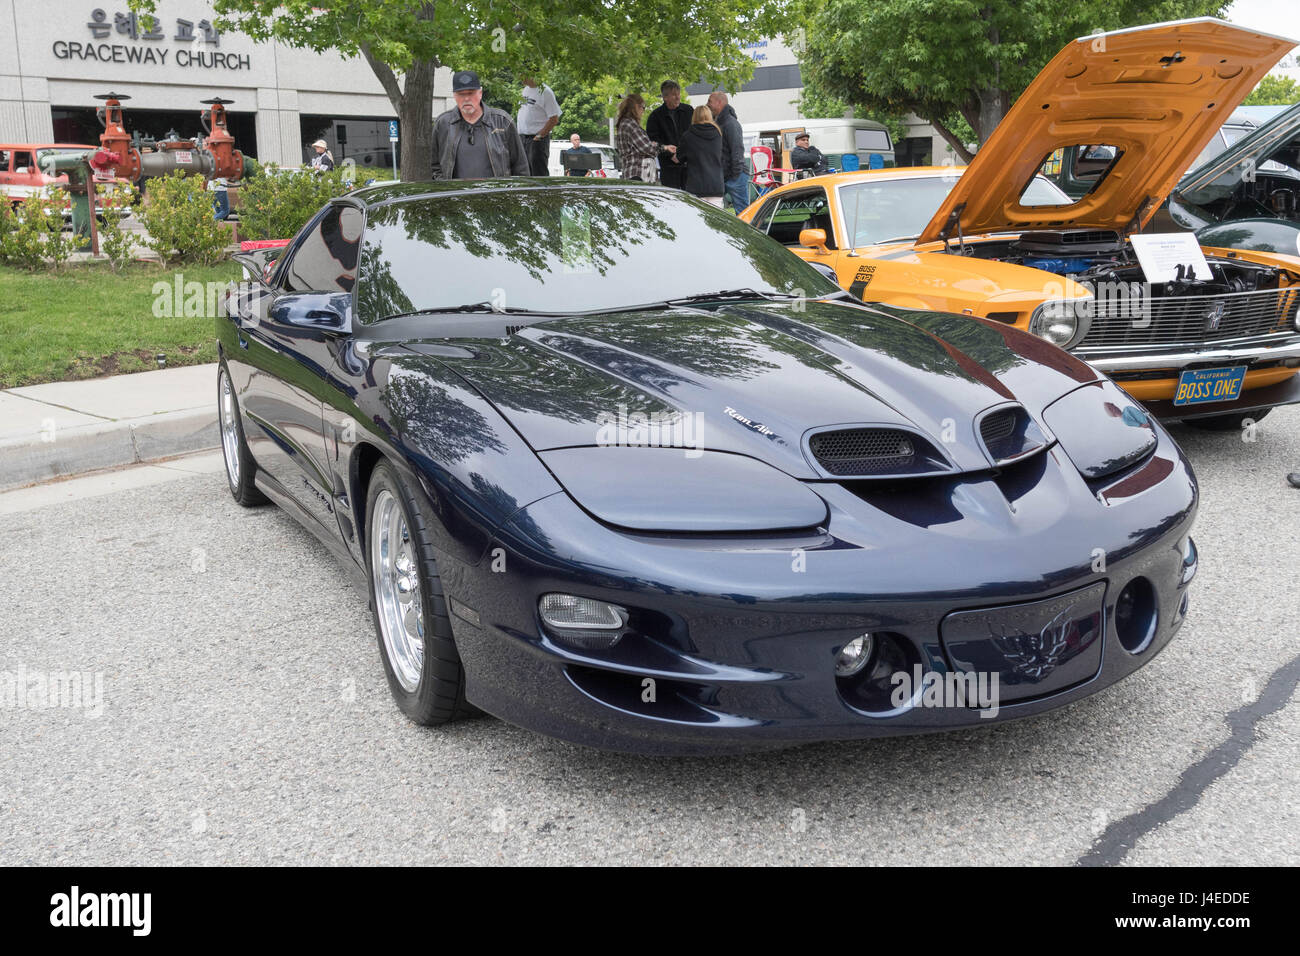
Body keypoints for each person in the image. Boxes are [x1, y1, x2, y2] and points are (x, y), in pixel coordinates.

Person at [430, 70, 529, 180]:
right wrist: (445, 188)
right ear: (454, 95)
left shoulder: (502, 121)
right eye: (461, 94)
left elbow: (521, 167)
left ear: (480, 93)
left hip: (496, 195)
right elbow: (434, 166)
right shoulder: (443, 124)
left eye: (471, 93)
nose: (466, 98)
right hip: (456, 195)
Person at [615, 94, 674, 182]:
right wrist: (664, 147)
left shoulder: (624, 123)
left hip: (631, 172)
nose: (643, 111)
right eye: (643, 107)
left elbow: (643, 146)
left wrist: (653, 145)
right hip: (638, 174)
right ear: (636, 107)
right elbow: (647, 148)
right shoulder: (631, 125)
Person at [645, 80, 694, 189]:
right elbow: (653, 141)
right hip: (669, 168)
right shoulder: (655, 117)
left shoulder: (688, 111)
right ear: (665, 97)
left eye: (679, 94)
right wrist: (670, 155)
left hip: (689, 166)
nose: (678, 97)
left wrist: (685, 154)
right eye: (674, 95)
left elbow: (694, 134)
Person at [706, 91, 747, 213]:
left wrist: (735, 175)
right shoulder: (721, 122)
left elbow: (737, 150)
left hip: (735, 176)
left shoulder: (730, 123)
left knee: (743, 213)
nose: (707, 104)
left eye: (710, 101)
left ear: (719, 103)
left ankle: (746, 232)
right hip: (726, 175)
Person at [675, 106, 724, 206]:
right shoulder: (718, 133)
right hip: (716, 184)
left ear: (694, 117)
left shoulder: (688, 135)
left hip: (696, 185)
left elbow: (679, 158)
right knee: (716, 219)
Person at [518, 76, 562, 176]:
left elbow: (554, 119)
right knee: (524, 173)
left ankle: (541, 192)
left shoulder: (545, 92)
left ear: (531, 73)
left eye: (522, 74)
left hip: (537, 139)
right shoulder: (525, 90)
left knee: (538, 174)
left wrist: (538, 137)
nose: (520, 77)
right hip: (522, 138)